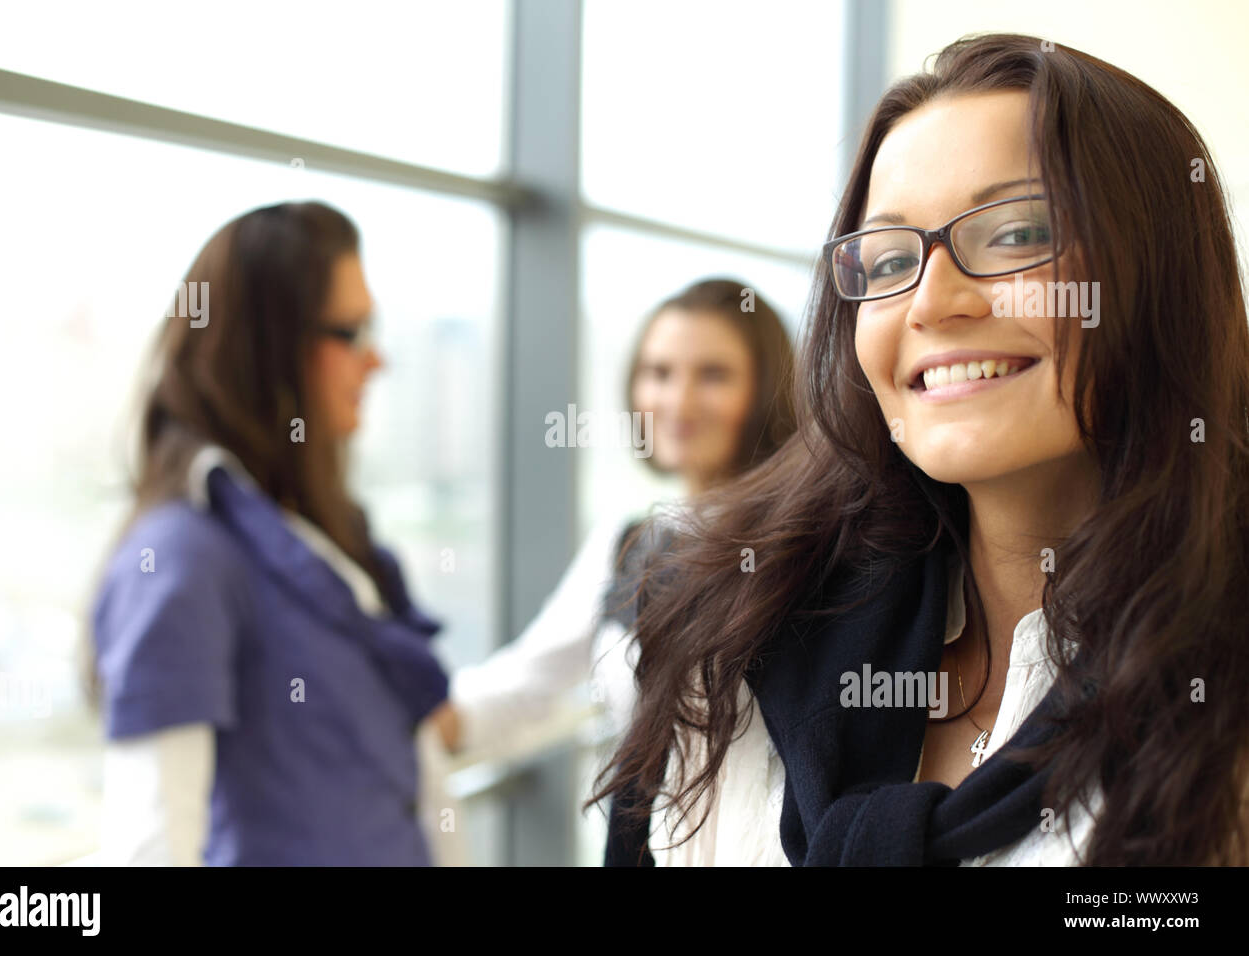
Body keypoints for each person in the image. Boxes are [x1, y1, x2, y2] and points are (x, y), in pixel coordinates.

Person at [596, 33, 1249, 866]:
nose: (932, 302)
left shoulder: (1216, 690)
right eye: (892, 258)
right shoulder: (731, 643)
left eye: (1016, 234)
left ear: (1159, 273)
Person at [88, 201, 453, 865]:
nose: (376, 362)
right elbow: (152, 848)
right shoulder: (182, 555)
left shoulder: (315, 535)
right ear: (269, 352)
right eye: (350, 332)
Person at [436, 278, 796, 757]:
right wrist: (392, 716)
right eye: (660, 372)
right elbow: (523, 684)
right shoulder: (630, 542)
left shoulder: (803, 540)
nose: (679, 401)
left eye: (712, 375)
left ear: (766, 387)